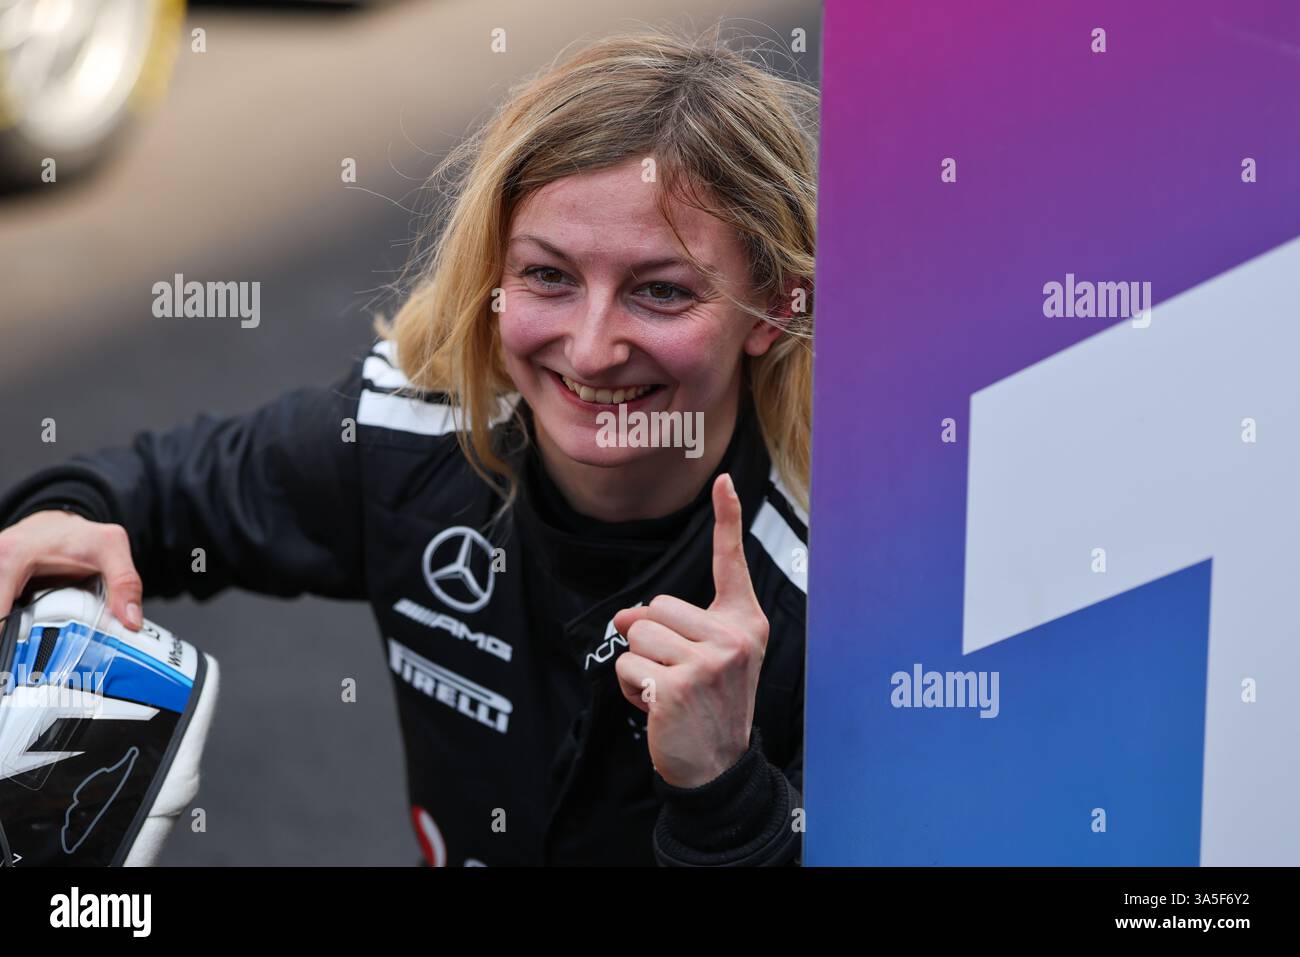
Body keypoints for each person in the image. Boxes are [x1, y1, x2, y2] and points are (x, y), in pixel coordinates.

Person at [0, 27, 816, 866]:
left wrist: (722, 788)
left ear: (777, 308)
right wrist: (66, 517)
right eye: (548, 276)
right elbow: (158, 493)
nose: (590, 346)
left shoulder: (847, 595)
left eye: (660, 291)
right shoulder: (415, 432)